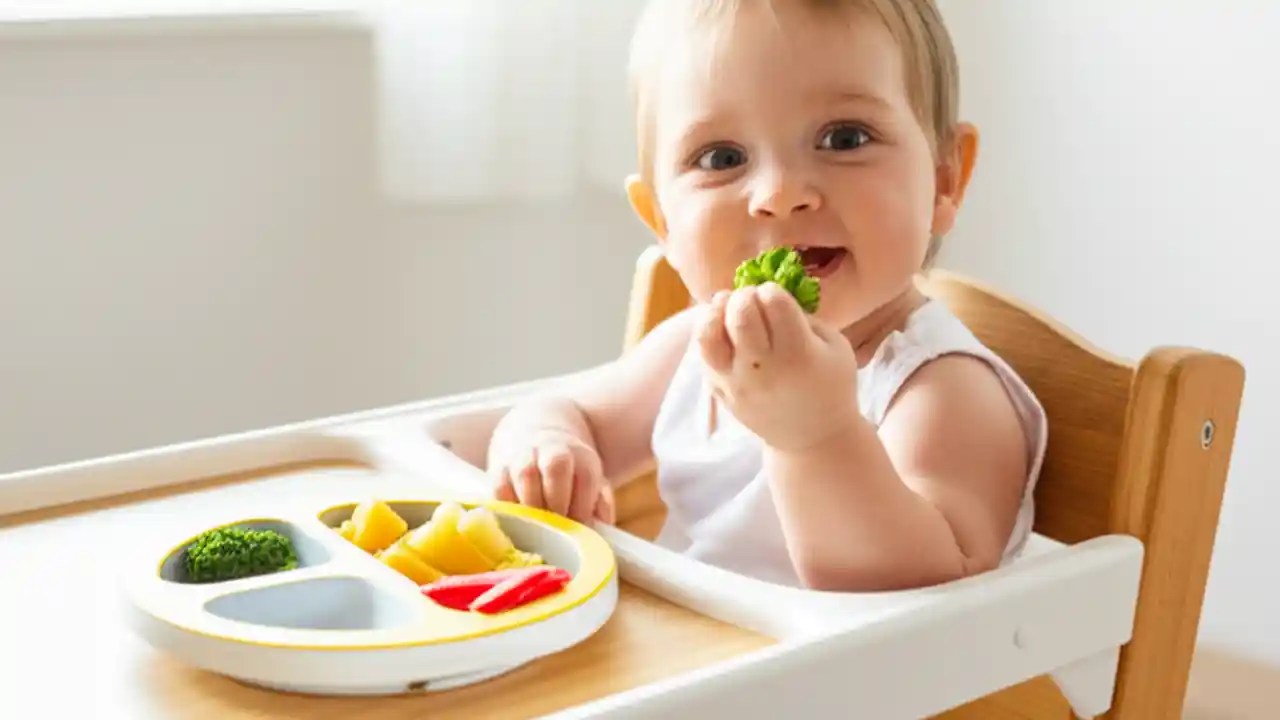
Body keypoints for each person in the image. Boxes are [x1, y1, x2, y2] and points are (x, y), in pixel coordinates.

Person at [485, 0, 1047, 592]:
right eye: (722, 158)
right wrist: (546, 447)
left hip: (843, 683)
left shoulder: (941, 389)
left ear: (944, 180)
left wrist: (815, 437)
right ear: (662, 224)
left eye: (845, 137)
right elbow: (566, 411)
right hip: (703, 660)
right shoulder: (696, 346)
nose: (780, 194)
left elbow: (919, 600)